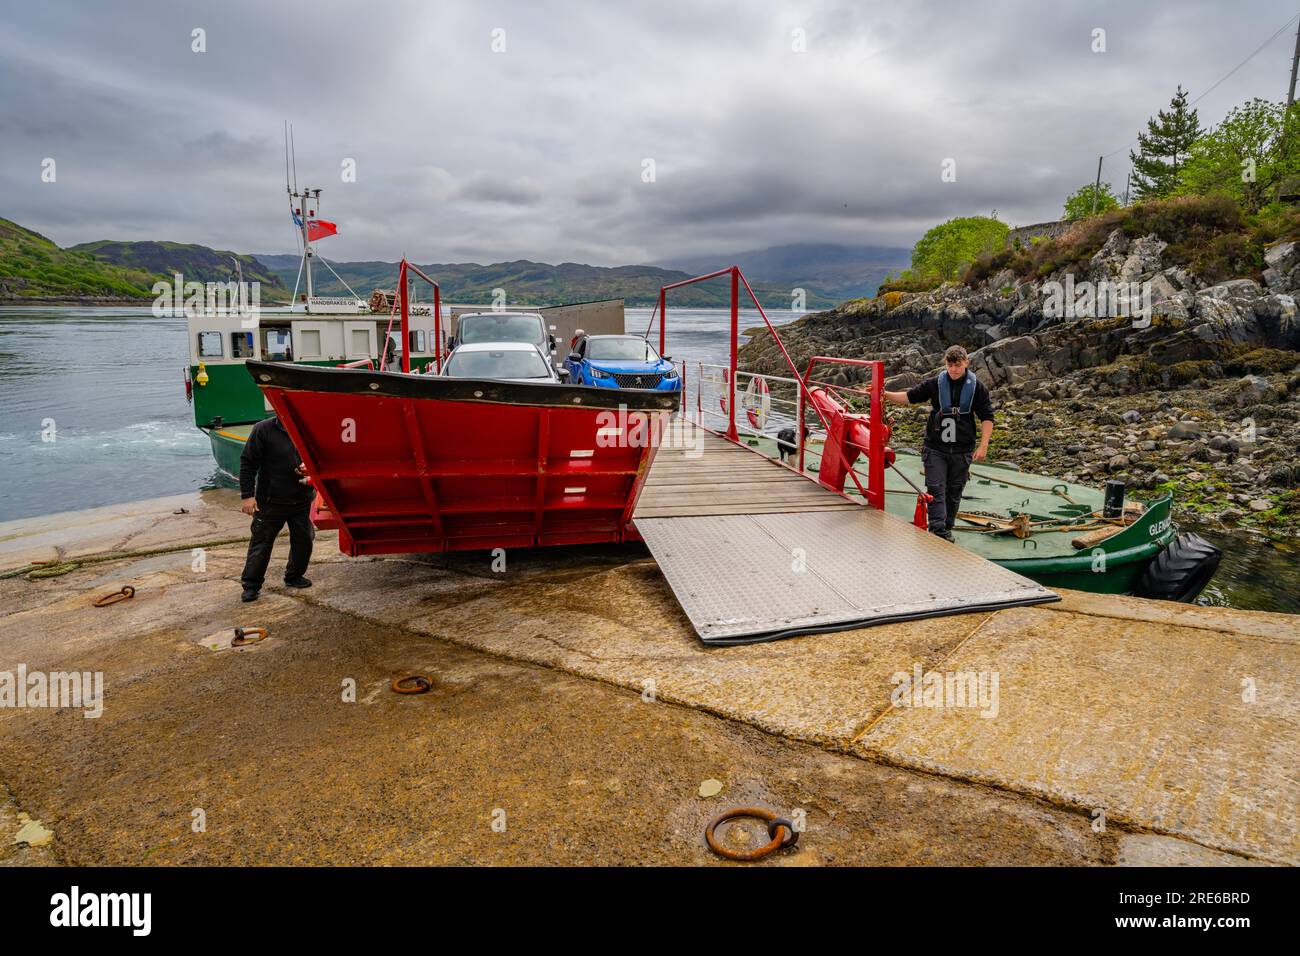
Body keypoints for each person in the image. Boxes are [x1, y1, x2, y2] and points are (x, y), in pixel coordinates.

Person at [884, 345, 994, 541]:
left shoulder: (977, 387)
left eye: (958, 365)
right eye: (950, 365)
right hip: (935, 447)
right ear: (945, 364)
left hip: (962, 449)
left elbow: (987, 416)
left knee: (954, 491)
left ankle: (947, 527)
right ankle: (938, 532)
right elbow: (911, 397)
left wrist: (983, 445)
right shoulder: (935, 383)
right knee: (936, 488)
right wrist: (883, 394)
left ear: (966, 363)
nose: (953, 370)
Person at [238, 416, 316, 602]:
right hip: (270, 501)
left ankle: (294, 576)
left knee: (304, 539)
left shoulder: (307, 426)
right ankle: (251, 585)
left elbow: (318, 454)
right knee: (261, 543)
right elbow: (247, 462)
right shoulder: (263, 429)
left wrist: (310, 466)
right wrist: (247, 496)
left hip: (302, 498)